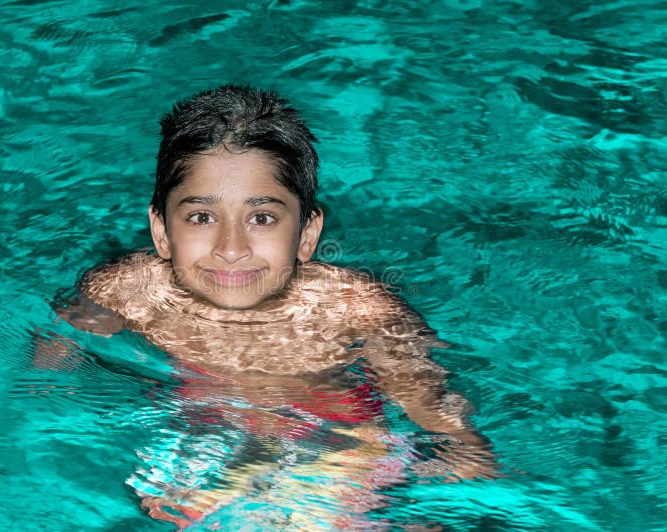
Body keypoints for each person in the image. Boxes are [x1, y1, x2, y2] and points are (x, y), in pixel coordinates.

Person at [40, 85, 497, 528]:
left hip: (335, 440)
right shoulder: (125, 290)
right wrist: (55, 385)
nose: (231, 247)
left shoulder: (355, 307)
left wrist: (465, 453)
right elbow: (54, 358)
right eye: (201, 217)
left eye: (262, 218)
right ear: (161, 231)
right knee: (163, 506)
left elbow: (428, 400)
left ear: (307, 233)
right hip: (206, 426)